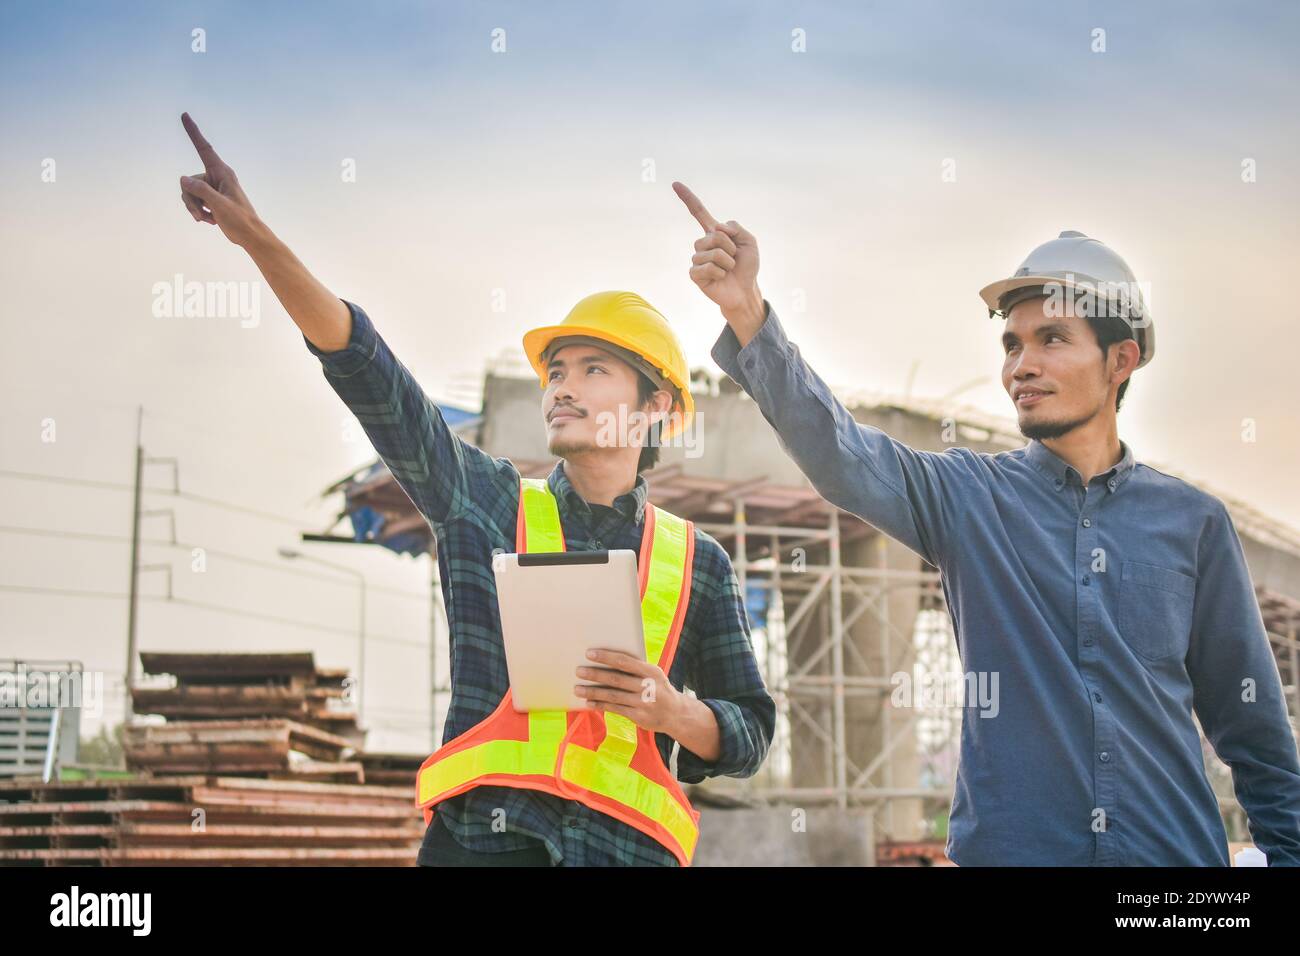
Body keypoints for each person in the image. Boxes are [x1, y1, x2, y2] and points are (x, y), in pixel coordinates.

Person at [176, 113, 774, 866]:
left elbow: (750, 732)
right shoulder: (484, 504)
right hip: (489, 843)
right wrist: (258, 239)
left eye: (593, 370)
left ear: (655, 407)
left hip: (627, 852)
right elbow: (372, 376)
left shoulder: (698, 562)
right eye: (557, 371)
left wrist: (674, 710)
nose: (562, 387)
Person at [672, 181, 1300, 866]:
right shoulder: (967, 498)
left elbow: (1254, 729)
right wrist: (749, 313)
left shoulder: (1194, 524)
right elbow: (842, 455)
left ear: (1121, 360)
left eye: (1052, 339)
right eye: (1011, 343)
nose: (1020, 366)